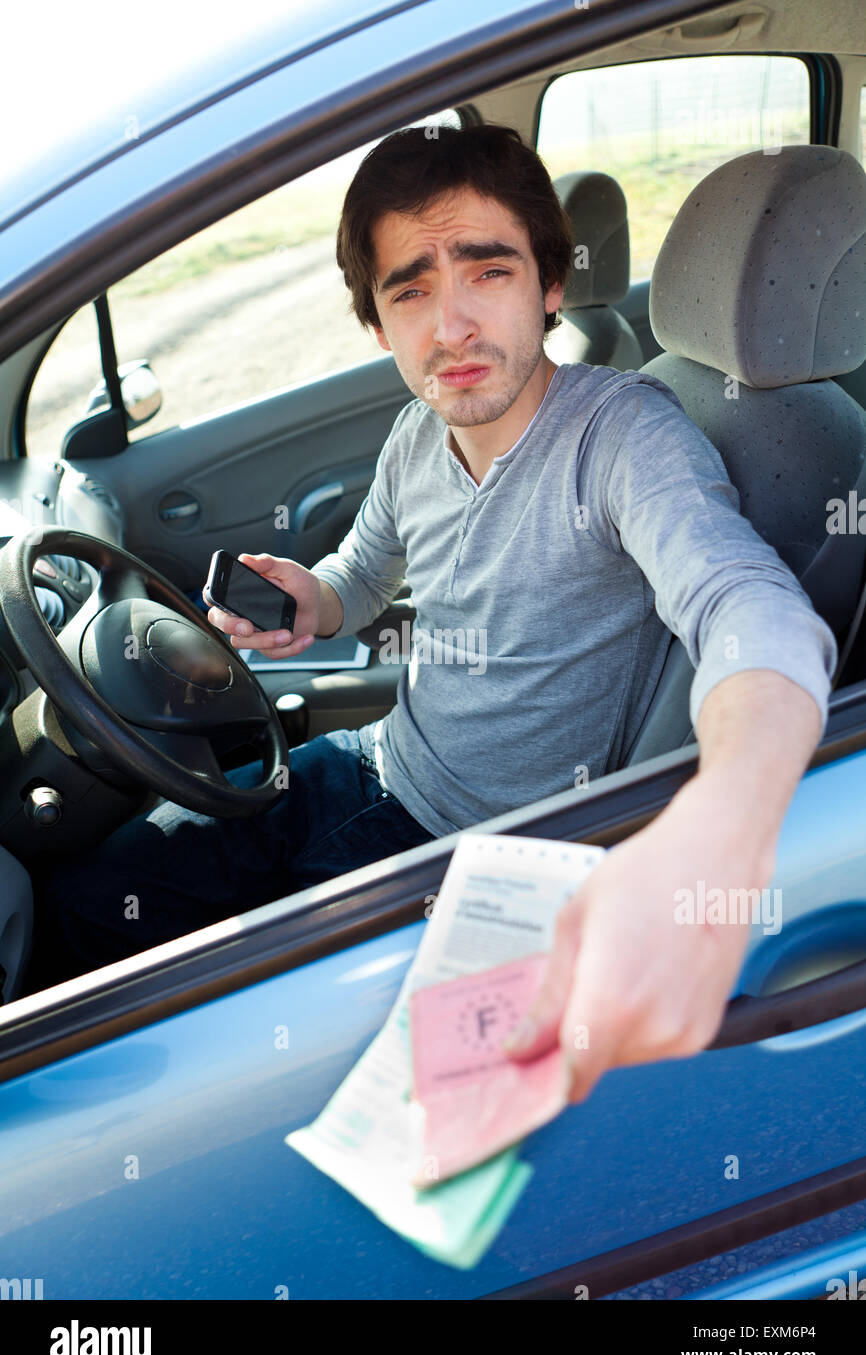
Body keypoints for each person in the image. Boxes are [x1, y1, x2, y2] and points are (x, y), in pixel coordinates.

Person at [31, 124, 835, 1103]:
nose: (448, 323)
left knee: (199, 1043)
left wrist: (727, 824)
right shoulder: (418, 433)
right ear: (376, 325)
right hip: (367, 767)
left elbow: (744, 606)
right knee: (88, 900)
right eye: (408, 288)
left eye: (485, 271)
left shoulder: (625, 436)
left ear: (546, 284)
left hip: (457, 857)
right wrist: (304, 598)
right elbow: (358, 580)